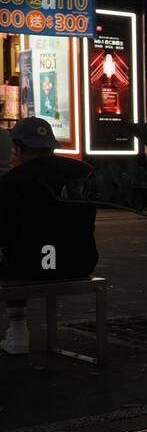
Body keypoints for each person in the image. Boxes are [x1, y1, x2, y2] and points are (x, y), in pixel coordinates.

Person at [0, 117, 99, 354]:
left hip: (28, 267)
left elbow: (4, 231)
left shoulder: (13, 180)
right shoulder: (83, 170)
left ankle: (18, 331)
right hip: (80, 263)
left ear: (19, 147)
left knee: (11, 254)